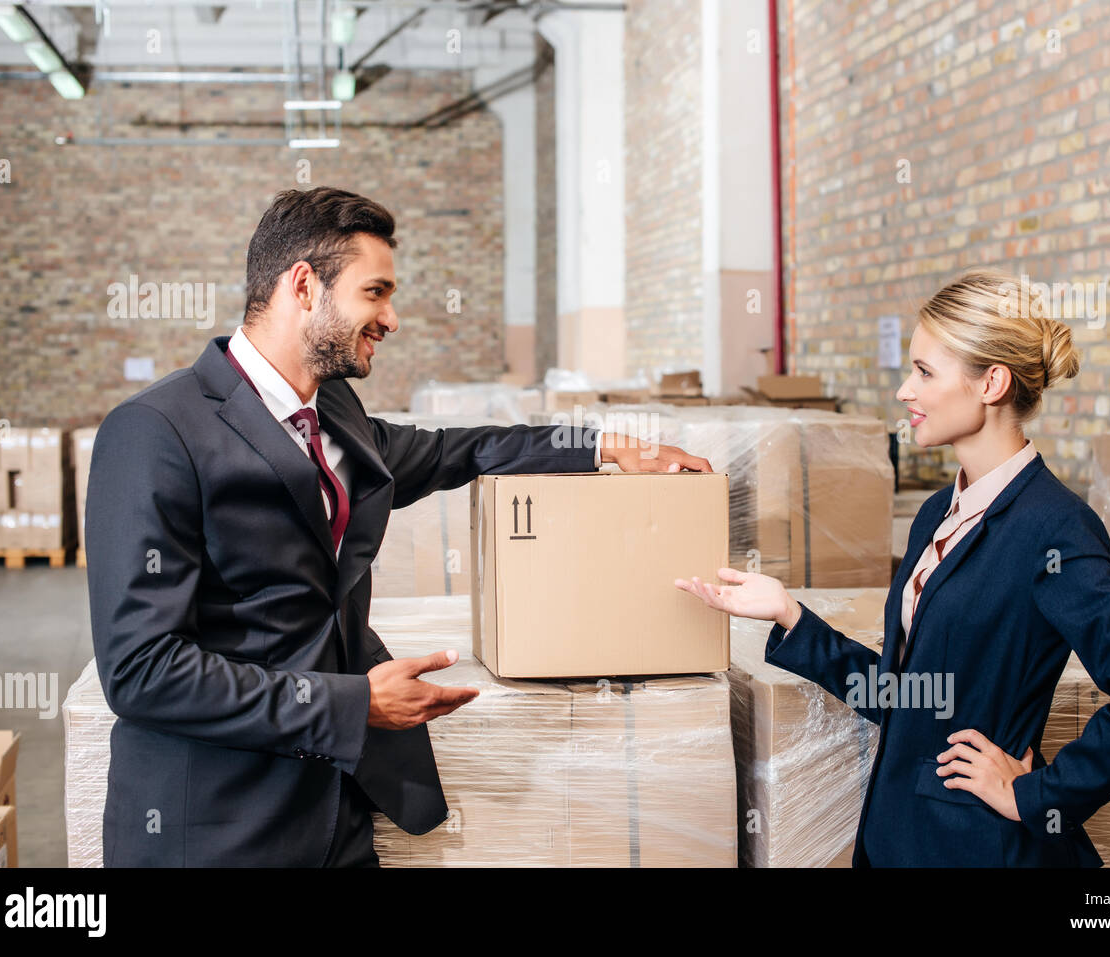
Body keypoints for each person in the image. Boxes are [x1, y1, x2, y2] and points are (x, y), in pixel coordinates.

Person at [86, 186, 711, 867]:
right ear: (303, 285)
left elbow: (456, 450)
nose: (391, 316)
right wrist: (352, 705)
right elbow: (143, 671)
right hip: (215, 827)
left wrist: (605, 446)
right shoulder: (155, 431)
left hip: (336, 808)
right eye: (375, 292)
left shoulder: (337, 414)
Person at [675, 268, 1110, 867]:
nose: (904, 390)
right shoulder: (935, 514)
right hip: (900, 837)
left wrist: (1035, 794)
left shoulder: (1054, 529)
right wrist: (791, 615)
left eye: (924, 372)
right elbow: (911, 697)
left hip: (975, 847)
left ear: (991, 383)